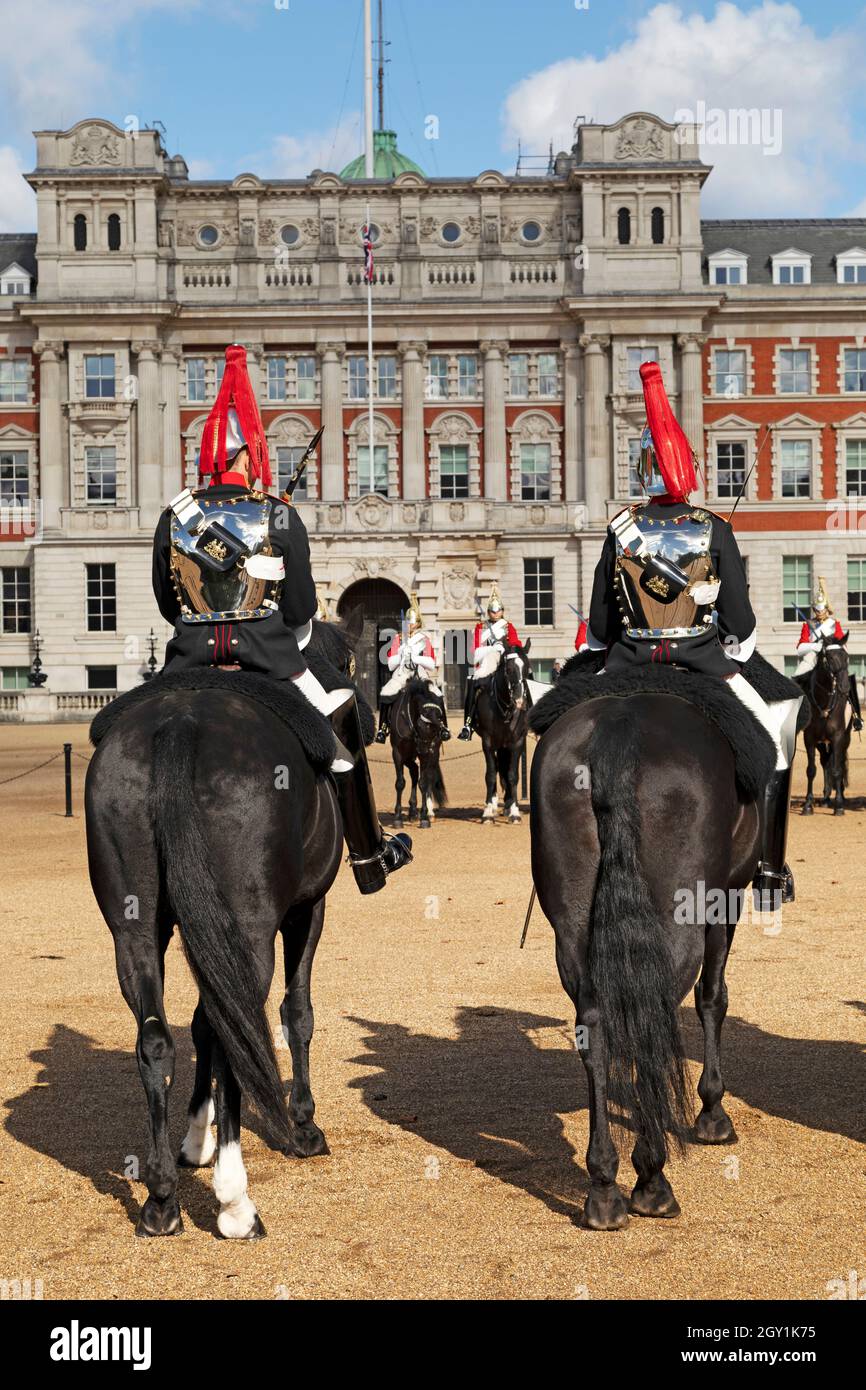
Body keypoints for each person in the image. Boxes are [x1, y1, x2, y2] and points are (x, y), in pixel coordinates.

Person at [151, 342, 411, 895]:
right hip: (269, 660)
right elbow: (298, 613)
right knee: (340, 714)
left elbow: (168, 603)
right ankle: (369, 856)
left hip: (186, 663)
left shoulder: (174, 516)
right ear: (246, 456)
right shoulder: (276, 514)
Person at [584, 360, 801, 908]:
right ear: (688, 467)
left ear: (641, 470)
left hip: (627, 666)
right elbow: (743, 625)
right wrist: (731, 642)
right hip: (704, 664)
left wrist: (602, 651)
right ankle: (771, 872)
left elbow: (600, 626)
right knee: (775, 743)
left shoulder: (619, 529)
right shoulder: (713, 528)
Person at [374, 594, 450, 742]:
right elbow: (390, 664)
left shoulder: (424, 639)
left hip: (420, 673)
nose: (408, 624)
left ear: (417, 622)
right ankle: (383, 728)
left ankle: (443, 726)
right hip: (402, 673)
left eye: (411, 621)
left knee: (437, 693)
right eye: (407, 621)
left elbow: (430, 663)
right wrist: (402, 653)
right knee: (386, 692)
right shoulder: (398, 638)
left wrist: (415, 657)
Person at [457, 585, 523, 740]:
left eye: (498, 610)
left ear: (502, 611)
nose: (496, 613)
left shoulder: (508, 626)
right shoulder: (480, 627)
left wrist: (505, 649)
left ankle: (529, 715)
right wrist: (492, 648)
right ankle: (468, 724)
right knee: (472, 681)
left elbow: (516, 644)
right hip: (486, 662)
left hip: (506, 660)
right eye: (493, 611)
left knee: (521, 675)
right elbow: (473, 653)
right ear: (488, 612)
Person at [795, 580, 862, 730]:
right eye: (816, 610)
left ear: (826, 609)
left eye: (821, 609)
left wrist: (835, 650)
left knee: (847, 681)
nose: (819, 613)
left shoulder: (834, 623)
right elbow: (800, 648)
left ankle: (856, 717)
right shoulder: (808, 625)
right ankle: (796, 716)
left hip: (831, 658)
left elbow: (842, 644)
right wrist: (815, 645)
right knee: (796, 678)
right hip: (813, 658)